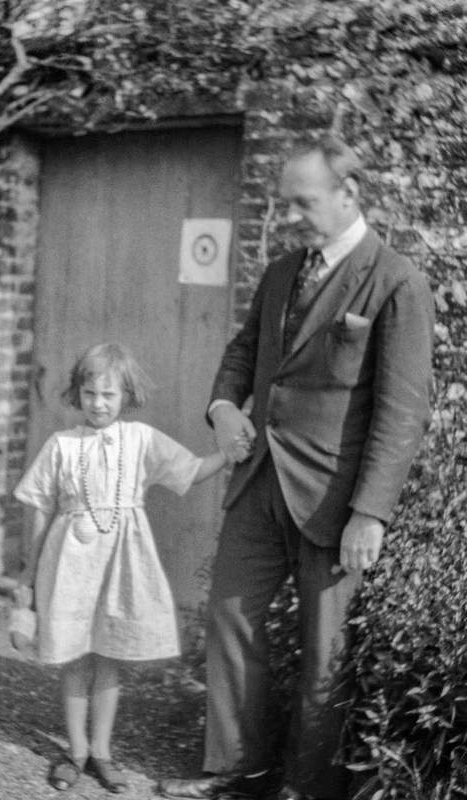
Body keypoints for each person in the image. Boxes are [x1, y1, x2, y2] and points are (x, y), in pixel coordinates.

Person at [159, 135, 434, 800]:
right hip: (258, 482)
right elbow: (244, 349)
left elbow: (403, 413)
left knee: (325, 654)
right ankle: (239, 771)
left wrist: (369, 512)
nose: (291, 217)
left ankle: (304, 787)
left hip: (334, 502)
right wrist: (224, 406)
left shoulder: (396, 279)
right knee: (230, 620)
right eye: (287, 205)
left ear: (349, 194)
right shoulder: (284, 270)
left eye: (303, 203)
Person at [14, 342, 236, 793]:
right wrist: (28, 577)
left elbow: (189, 471)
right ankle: (74, 751)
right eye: (90, 393)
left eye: (108, 395)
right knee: (75, 657)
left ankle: (102, 751)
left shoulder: (141, 440)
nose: (98, 403)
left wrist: (230, 454)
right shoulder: (61, 445)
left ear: (126, 396)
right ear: (78, 394)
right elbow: (38, 509)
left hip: (121, 564)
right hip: (70, 562)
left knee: (110, 657)